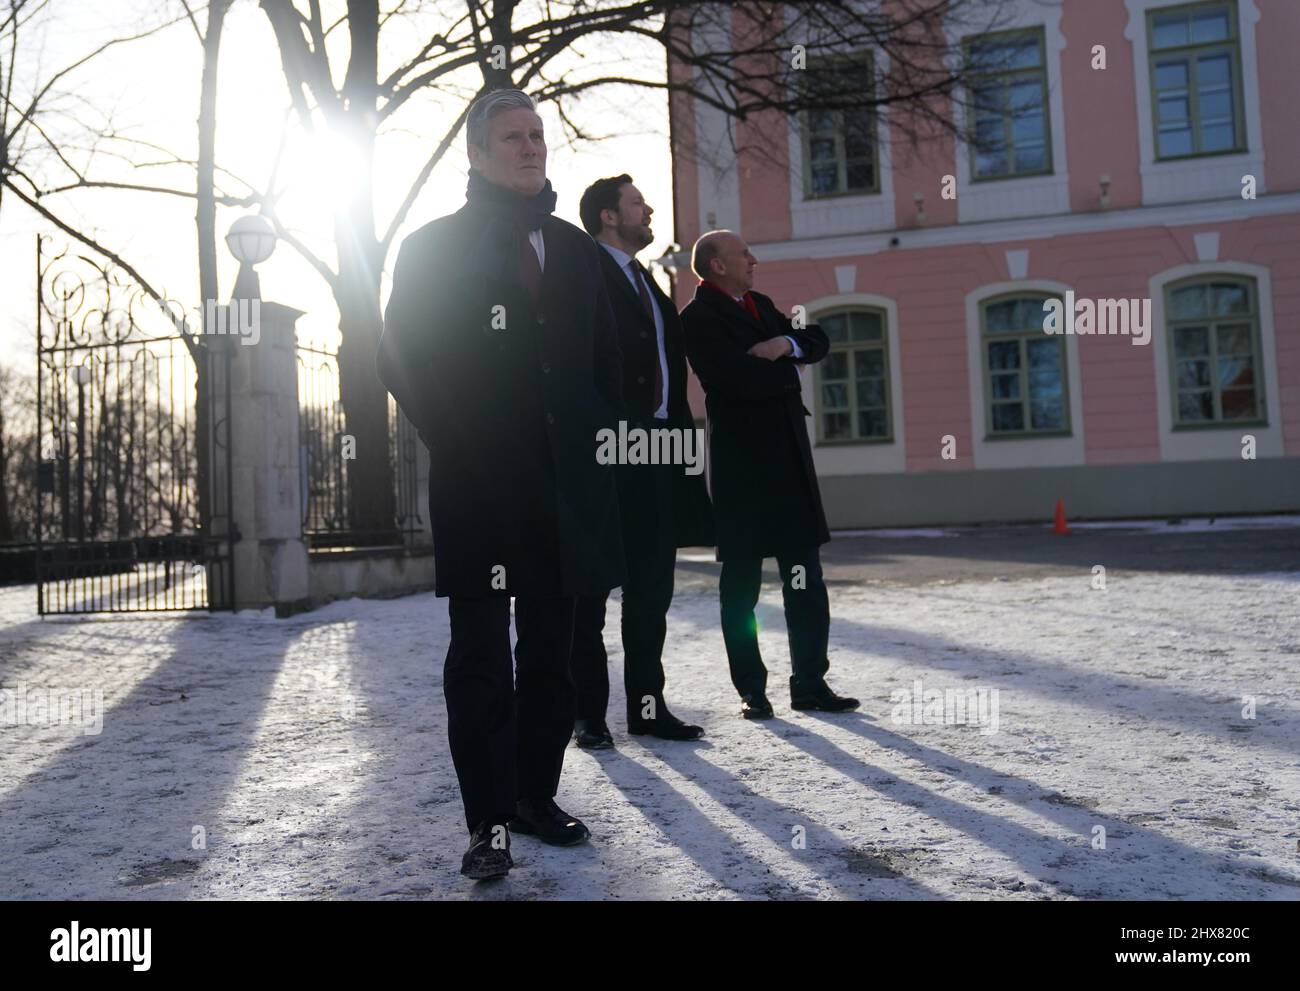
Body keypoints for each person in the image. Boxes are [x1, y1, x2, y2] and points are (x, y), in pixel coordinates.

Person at [376, 89, 625, 881]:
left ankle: (533, 795)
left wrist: (598, 449)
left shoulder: (577, 251)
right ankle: (487, 820)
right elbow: (401, 358)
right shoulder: (432, 248)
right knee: (481, 660)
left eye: (538, 135)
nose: (531, 147)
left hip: (567, 494)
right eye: (513, 137)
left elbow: (609, 365)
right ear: (477, 155)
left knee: (553, 653)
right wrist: (461, 442)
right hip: (480, 489)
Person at [680, 230, 859, 720]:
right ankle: (751, 689)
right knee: (742, 586)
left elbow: (817, 339)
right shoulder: (697, 319)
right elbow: (732, 379)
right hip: (743, 470)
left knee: (805, 578)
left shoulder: (761, 304)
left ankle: (809, 682)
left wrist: (783, 344)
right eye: (743, 254)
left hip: (789, 463)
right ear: (717, 266)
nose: (754, 259)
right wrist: (789, 370)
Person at [569, 175, 715, 748]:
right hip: (610, 447)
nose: (648, 209)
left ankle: (647, 707)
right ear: (608, 216)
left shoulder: (649, 282)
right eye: (636, 203)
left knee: (652, 585)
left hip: (660, 443)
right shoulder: (583, 273)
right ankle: (587, 714)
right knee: (594, 586)